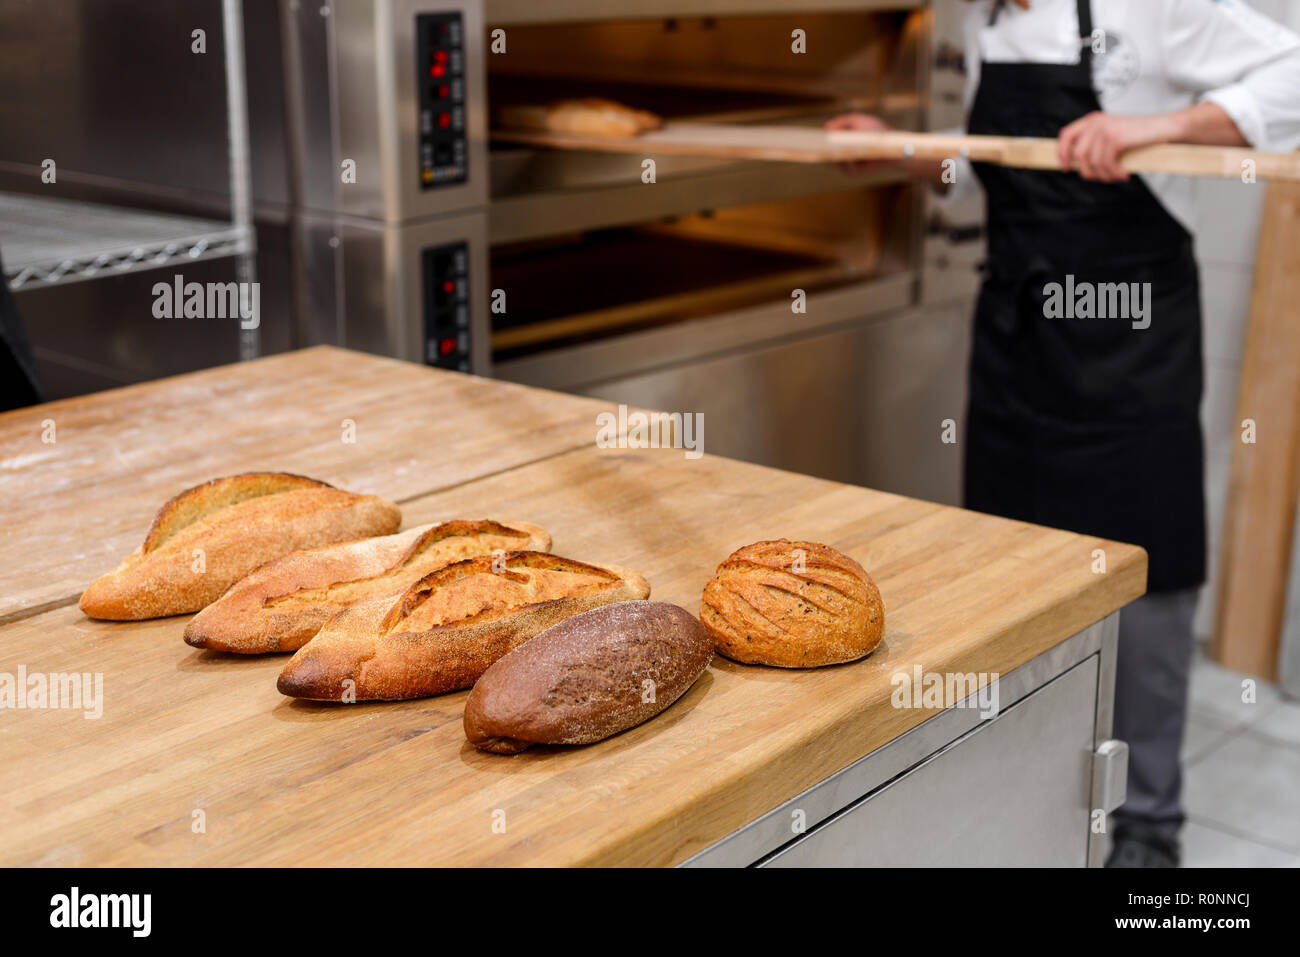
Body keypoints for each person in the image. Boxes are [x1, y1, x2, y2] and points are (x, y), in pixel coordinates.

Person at [828, 0, 1300, 867]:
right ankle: (1025, 782)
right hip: (1018, 333)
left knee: (1150, 561)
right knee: (1013, 557)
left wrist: (1165, 123)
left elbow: (1296, 67)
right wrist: (909, 152)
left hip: (1133, 333)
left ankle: (1150, 821)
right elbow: (988, 172)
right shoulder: (985, 21)